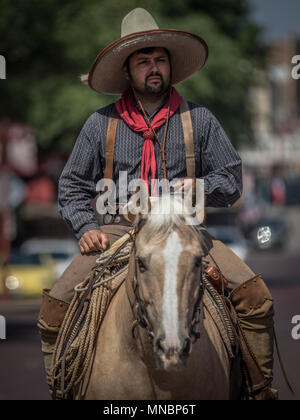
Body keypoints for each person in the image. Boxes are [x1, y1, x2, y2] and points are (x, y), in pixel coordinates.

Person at [38, 8, 277, 400]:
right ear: (128, 72)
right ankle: (62, 390)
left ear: (170, 67)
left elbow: (232, 179)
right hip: (118, 230)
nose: (154, 68)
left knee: (256, 298)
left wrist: (198, 185)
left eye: (160, 60)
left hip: (184, 232)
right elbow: (71, 185)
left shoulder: (199, 119)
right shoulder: (100, 124)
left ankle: (258, 390)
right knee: (54, 309)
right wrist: (87, 229)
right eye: (143, 61)